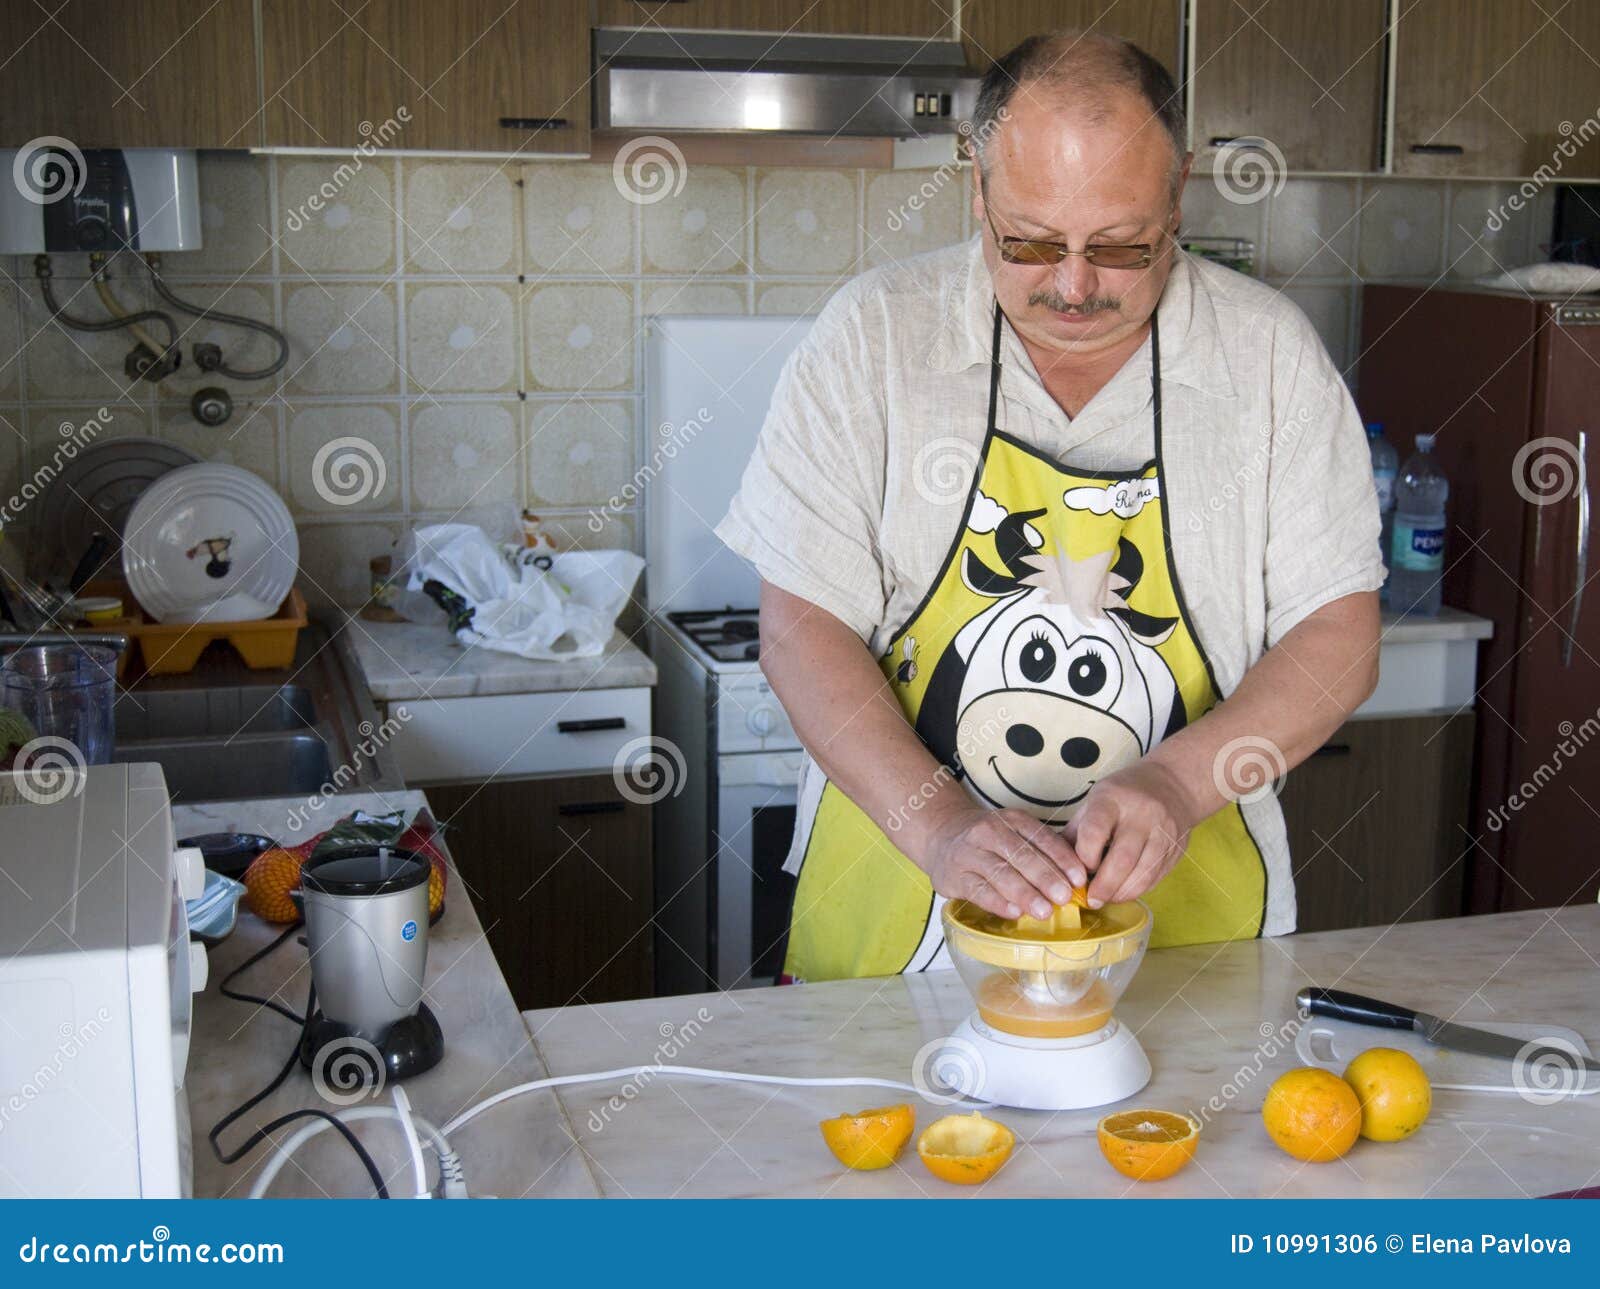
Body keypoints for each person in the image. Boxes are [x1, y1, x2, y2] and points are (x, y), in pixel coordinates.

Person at [715, 31, 1382, 982]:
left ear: (1179, 192)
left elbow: (1340, 635)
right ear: (977, 189)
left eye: (1119, 247)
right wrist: (943, 828)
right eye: (1029, 241)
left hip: (1190, 940)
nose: (1072, 287)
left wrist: (1179, 781)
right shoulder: (875, 339)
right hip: (890, 933)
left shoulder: (1267, 359)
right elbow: (799, 627)